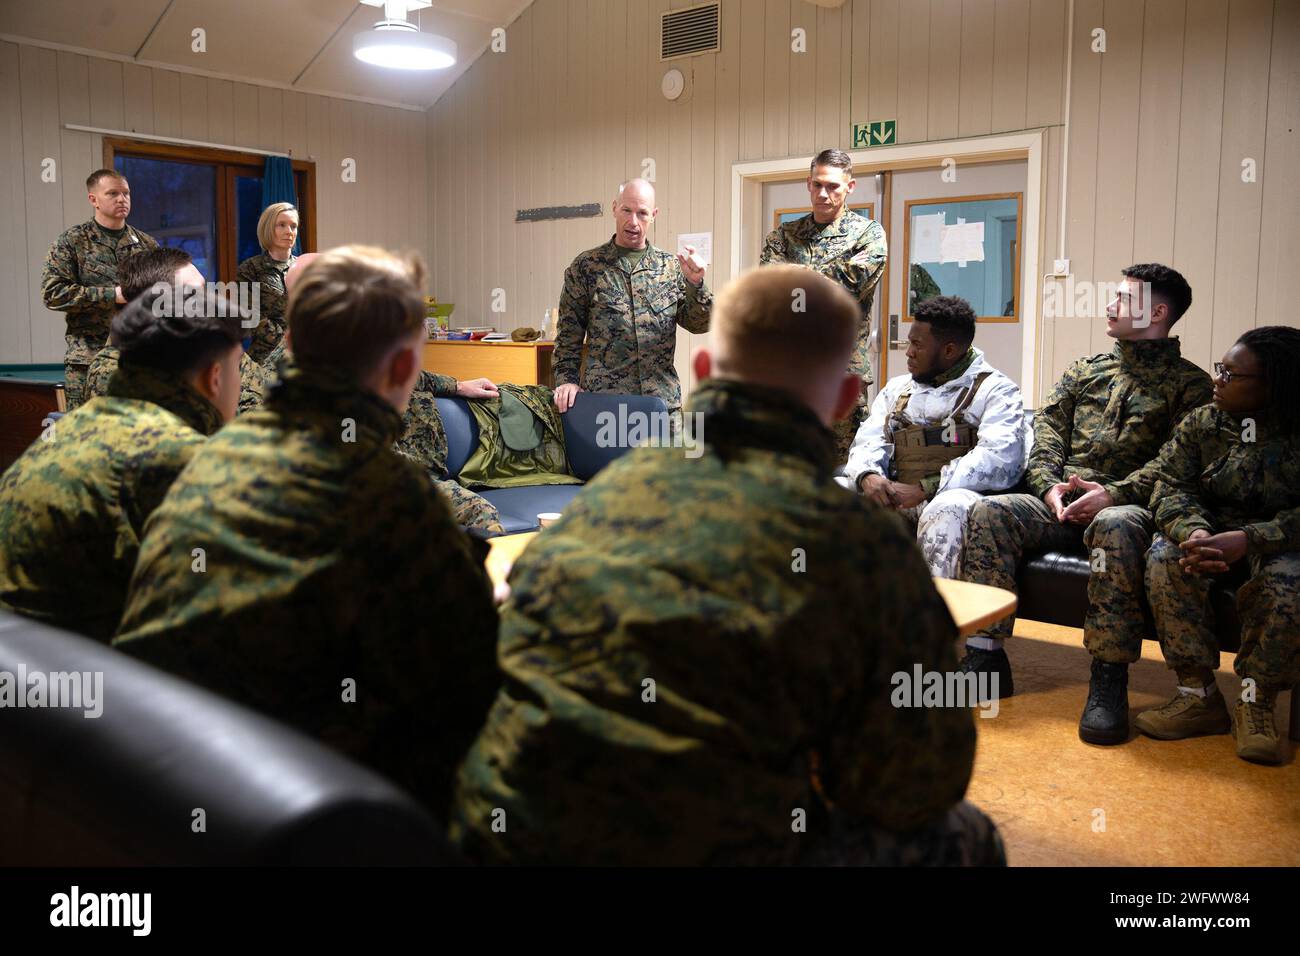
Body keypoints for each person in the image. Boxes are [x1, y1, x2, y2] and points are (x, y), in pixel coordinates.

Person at [450, 265, 1003, 866]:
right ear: (846, 400)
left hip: (496, 842)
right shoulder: (857, 545)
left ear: (706, 372)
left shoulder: (601, 499)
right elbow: (915, 786)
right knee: (964, 837)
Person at [113, 246, 500, 819]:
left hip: (148, 791)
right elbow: (471, 688)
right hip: (295, 809)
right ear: (400, 370)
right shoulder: (389, 493)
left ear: (294, 342)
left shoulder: (212, 456)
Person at [958, 263, 1214, 716]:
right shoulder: (1087, 370)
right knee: (990, 512)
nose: (1110, 305)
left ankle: (1108, 679)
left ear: (1157, 312)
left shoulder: (1191, 386)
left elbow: (1177, 464)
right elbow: (1048, 434)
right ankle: (985, 659)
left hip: (1131, 507)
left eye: (1123, 299)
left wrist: (1113, 494)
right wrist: (1048, 488)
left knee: (1114, 525)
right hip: (1063, 501)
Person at [0, 284, 241, 641]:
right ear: (215, 377)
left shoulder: (74, 427)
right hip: (85, 681)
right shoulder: (181, 455)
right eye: (238, 368)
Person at [1131, 326, 1300, 764]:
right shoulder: (1204, 422)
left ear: (1274, 385)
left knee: (1289, 579)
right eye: (1219, 369)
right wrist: (1195, 533)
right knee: (1166, 557)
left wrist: (1251, 539)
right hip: (1210, 537)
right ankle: (1197, 695)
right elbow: (1169, 486)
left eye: (1231, 375)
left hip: (1280, 545)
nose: (1217, 381)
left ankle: (1255, 703)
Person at [839, 295, 1025, 578]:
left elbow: (1001, 458)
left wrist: (926, 488)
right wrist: (868, 476)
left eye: (917, 345)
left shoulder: (996, 391)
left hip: (956, 497)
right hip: (896, 493)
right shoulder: (898, 389)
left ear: (949, 350)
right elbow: (869, 440)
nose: (908, 352)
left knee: (945, 510)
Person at [760, 149, 888, 465]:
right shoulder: (786, 235)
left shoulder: (868, 235)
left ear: (850, 187)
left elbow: (848, 288)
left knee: (845, 476)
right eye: (817, 185)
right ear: (808, 183)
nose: (823, 194)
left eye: (832, 186)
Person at [552, 178, 711, 418]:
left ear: (654, 215)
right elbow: (568, 337)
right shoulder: (586, 267)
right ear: (615, 207)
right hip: (606, 407)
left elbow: (700, 324)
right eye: (627, 210)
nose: (633, 221)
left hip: (662, 405)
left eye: (642, 213)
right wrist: (567, 381)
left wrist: (696, 284)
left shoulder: (670, 267)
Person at [84, 247, 270, 414]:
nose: (208, 301)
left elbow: (264, 391)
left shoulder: (207, 344)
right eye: (194, 294)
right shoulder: (117, 369)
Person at [40, 168, 159, 409]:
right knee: (85, 434)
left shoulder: (147, 244)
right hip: (88, 359)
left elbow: (164, 294)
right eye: (112, 193)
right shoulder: (72, 242)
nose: (122, 199)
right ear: (93, 199)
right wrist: (111, 295)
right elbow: (53, 294)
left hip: (138, 357)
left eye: (126, 193)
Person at [236, 201, 299, 362]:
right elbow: (250, 316)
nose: (289, 231)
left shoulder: (305, 266)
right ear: (268, 228)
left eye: (293, 226)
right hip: (264, 359)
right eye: (282, 225)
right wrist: (286, 340)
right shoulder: (249, 268)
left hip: (303, 356)